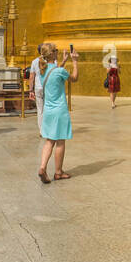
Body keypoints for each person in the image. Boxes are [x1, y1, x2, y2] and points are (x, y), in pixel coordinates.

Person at [35, 42, 77, 183]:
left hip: (48, 111)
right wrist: (75, 61)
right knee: (60, 141)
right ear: (52, 53)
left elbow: (55, 72)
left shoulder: (43, 70)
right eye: (56, 51)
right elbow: (74, 78)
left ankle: (42, 167)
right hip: (60, 111)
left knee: (49, 141)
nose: (58, 52)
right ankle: (58, 172)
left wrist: (64, 60)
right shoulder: (59, 71)